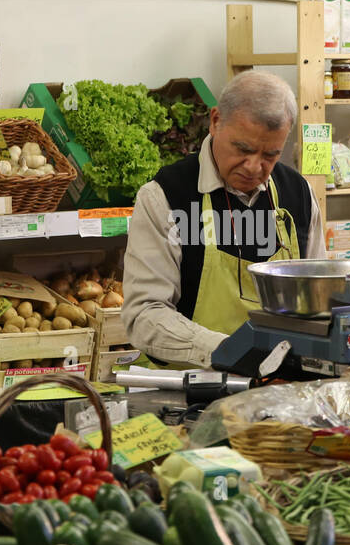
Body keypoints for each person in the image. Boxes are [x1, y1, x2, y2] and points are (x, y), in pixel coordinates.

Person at [123, 71, 326, 368]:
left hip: (279, 388)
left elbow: (317, 300)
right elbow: (144, 315)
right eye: (242, 149)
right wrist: (230, 350)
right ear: (216, 121)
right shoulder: (166, 196)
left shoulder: (299, 195)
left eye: (270, 155)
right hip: (189, 392)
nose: (254, 166)